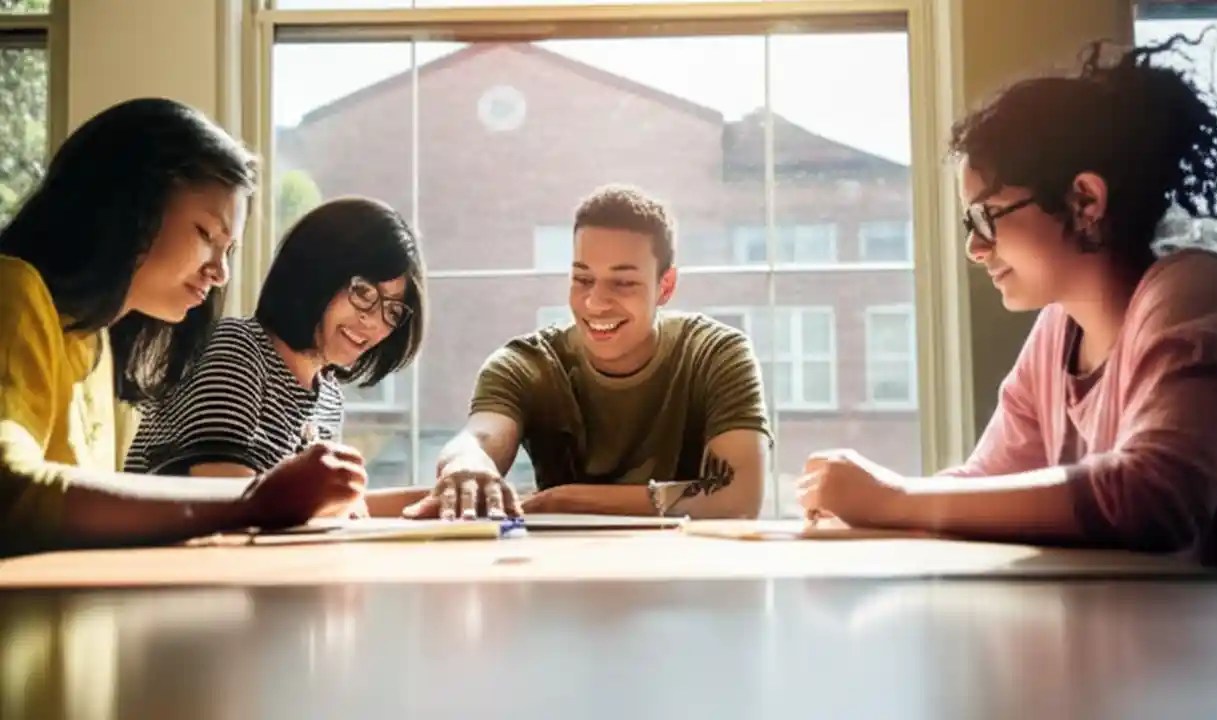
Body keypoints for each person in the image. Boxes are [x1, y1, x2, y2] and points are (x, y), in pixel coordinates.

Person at [798, 37, 1217, 571]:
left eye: (988, 216)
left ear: (1085, 201)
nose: (975, 248)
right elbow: (988, 487)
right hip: (1153, 636)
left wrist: (894, 499)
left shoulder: (1198, 293)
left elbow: (1155, 497)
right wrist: (874, 508)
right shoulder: (1059, 331)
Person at [0, 97, 366, 555]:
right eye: (206, 235)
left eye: (228, 250)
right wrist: (254, 498)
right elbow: (10, 492)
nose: (220, 273)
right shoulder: (13, 293)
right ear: (129, 208)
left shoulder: (103, 349)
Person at [371, 184, 771, 520]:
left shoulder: (716, 353)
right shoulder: (527, 363)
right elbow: (480, 436)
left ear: (664, 287)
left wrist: (566, 498)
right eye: (583, 278)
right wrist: (465, 462)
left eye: (623, 283)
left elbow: (739, 500)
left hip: (688, 586)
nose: (596, 303)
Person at [125, 197, 425, 486]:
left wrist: (430, 500)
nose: (374, 321)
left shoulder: (328, 398)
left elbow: (314, 510)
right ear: (315, 274)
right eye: (363, 293)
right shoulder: (236, 349)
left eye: (394, 309)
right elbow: (226, 498)